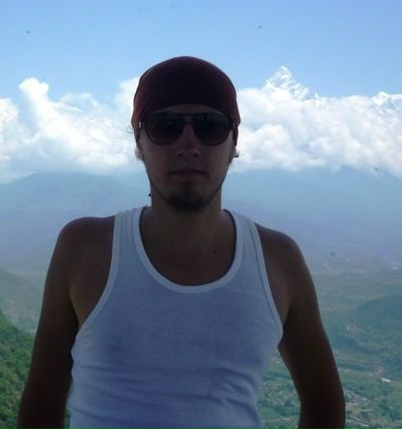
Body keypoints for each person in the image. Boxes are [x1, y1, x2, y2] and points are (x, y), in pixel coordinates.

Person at [17, 56, 345, 429]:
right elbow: (42, 403)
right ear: (139, 142)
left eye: (210, 127)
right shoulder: (83, 249)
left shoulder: (278, 261)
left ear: (234, 142)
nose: (188, 145)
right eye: (164, 126)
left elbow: (325, 404)